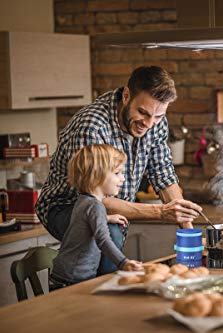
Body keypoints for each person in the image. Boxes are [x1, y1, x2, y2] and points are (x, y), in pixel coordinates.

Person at [36, 66, 202, 274]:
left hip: (107, 206)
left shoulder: (155, 122)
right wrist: (160, 211)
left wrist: (189, 233)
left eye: (158, 116)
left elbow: (163, 175)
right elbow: (95, 199)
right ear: (126, 95)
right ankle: (101, 301)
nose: (149, 124)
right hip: (66, 207)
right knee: (109, 231)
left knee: (110, 234)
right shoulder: (92, 126)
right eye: (142, 112)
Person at [49, 144, 142, 290]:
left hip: (63, 275)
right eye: (117, 173)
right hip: (73, 279)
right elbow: (103, 239)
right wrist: (123, 263)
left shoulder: (83, 200)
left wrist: (107, 218)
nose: (123, 178)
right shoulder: (95, 206)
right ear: (97, 175)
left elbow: (82, 222)